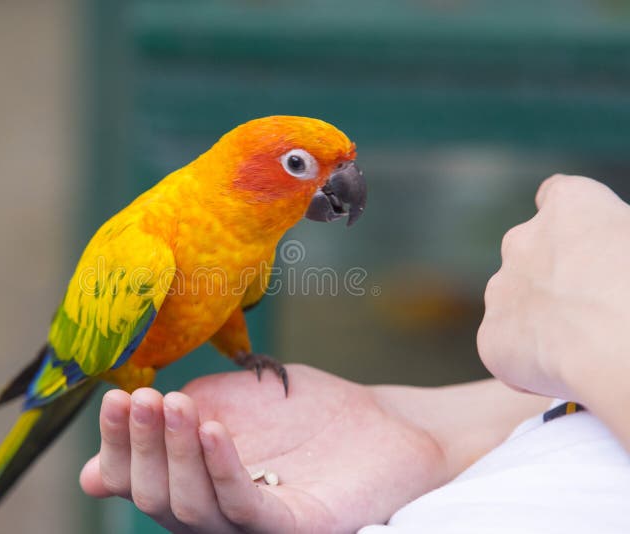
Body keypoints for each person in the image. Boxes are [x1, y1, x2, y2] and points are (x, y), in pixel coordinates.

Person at [79, 175, 630, 533]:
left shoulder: (252, 254)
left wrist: (592, 324)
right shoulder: (147, 248)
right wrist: (431, 432)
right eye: (298, 165)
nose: (338, 183)